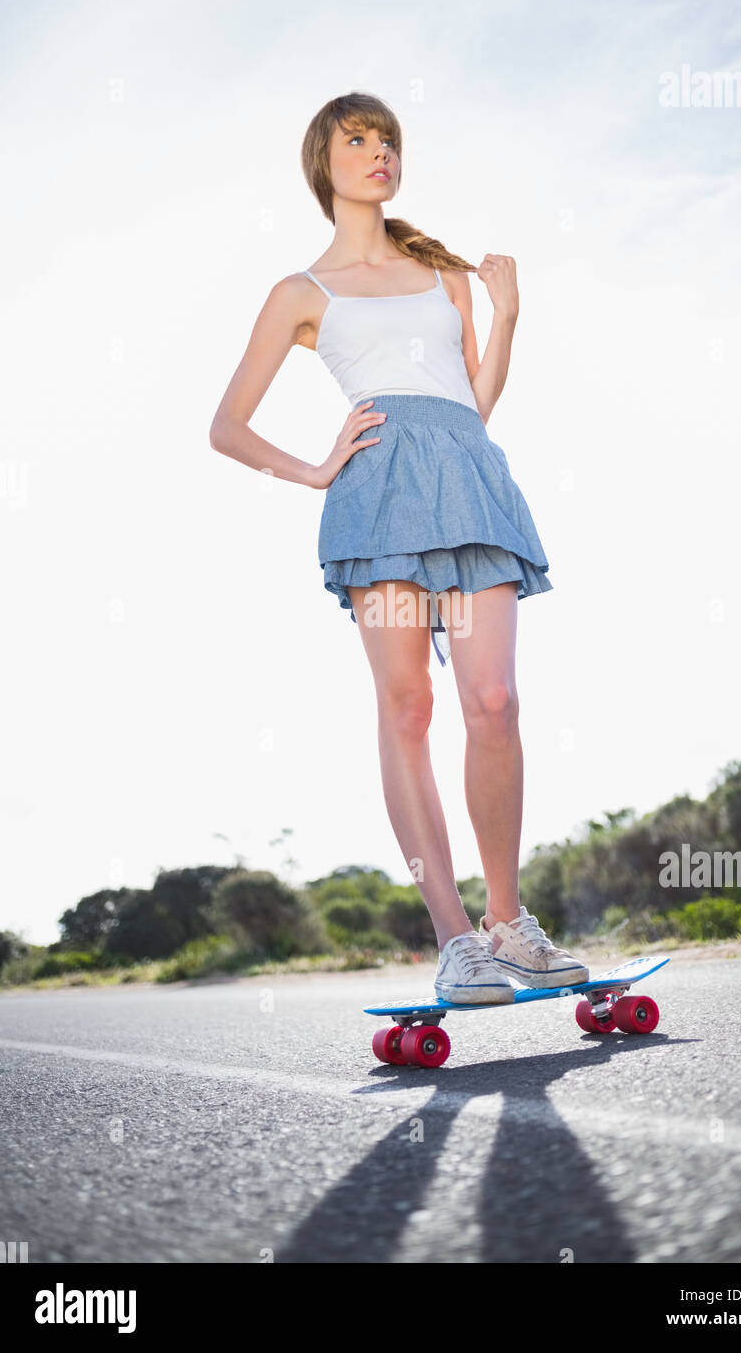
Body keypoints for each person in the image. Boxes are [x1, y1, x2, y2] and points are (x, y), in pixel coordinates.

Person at [210, 91, 589, 1005]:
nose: (378, 152)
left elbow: (475, 406)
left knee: (492, 700)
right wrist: (312, 470)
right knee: (409, 705)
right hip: (377, 501)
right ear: (324, 163)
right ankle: (453, 937)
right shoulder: (301, 292)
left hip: (468, 483)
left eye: (388, 140)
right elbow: (226, 425)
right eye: (358, 140)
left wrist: (505, 317)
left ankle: (507, 921)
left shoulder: (441, 270)